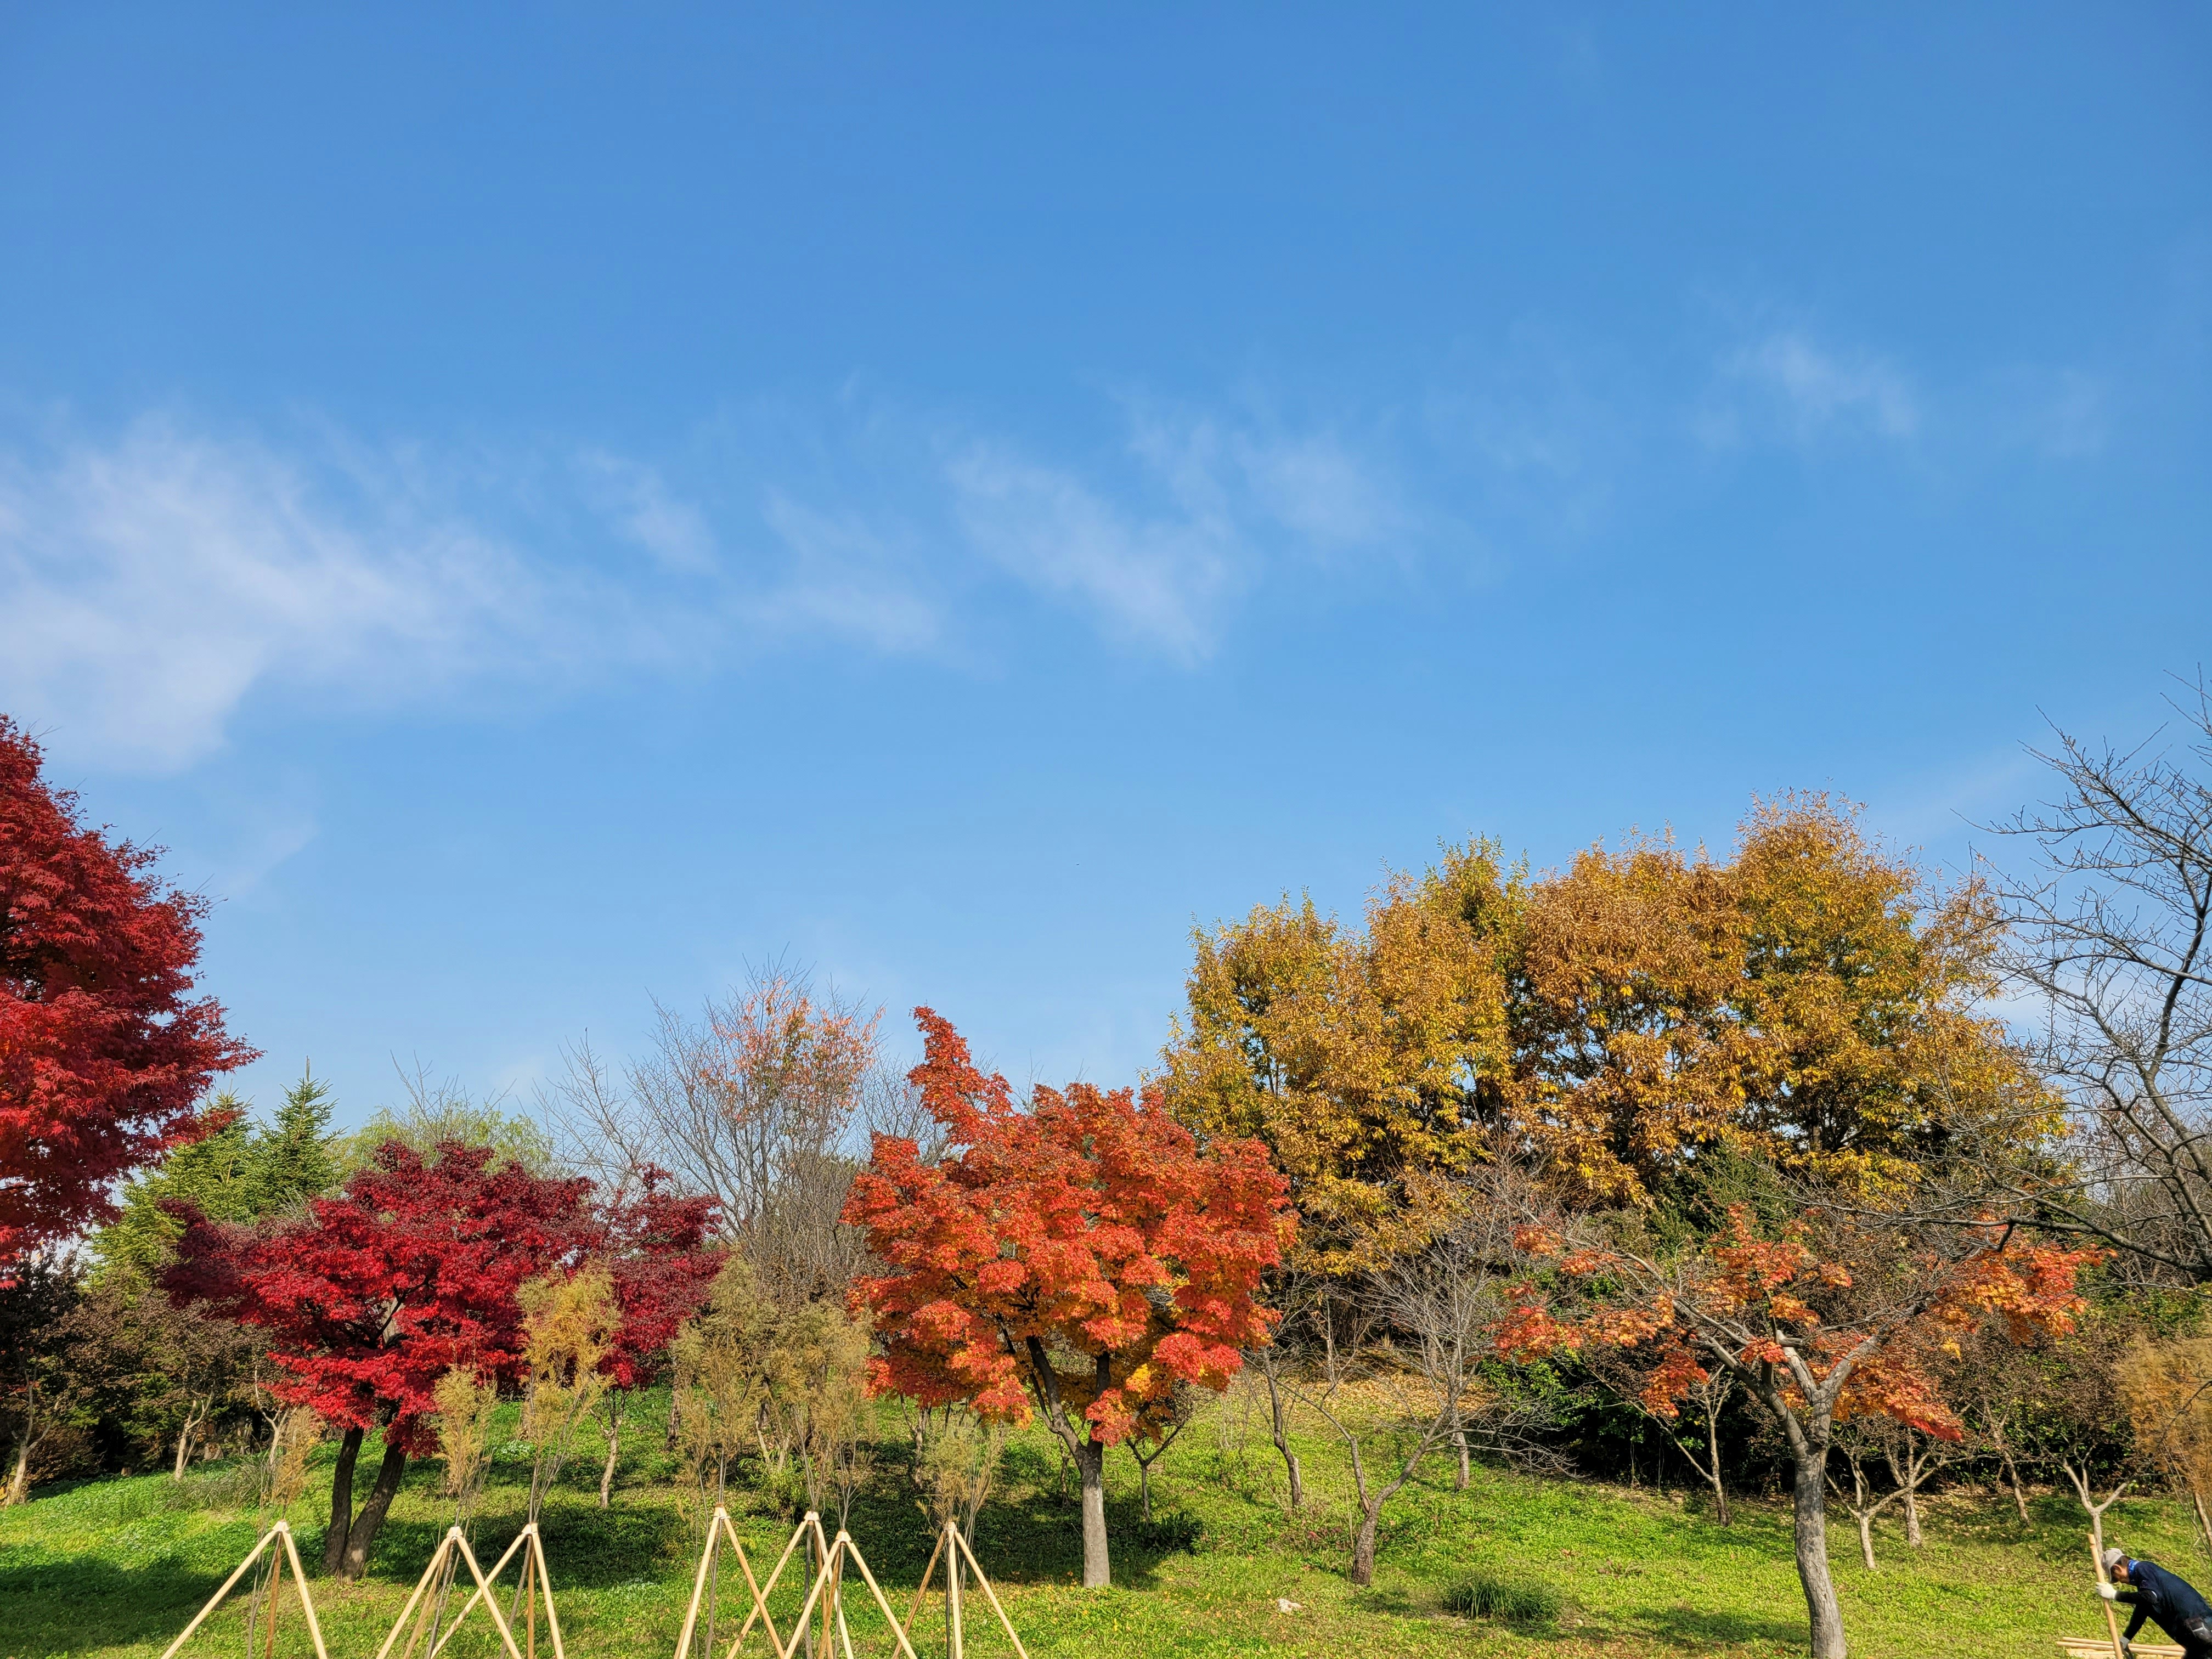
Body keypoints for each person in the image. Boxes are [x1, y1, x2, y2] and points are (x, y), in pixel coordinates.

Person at [2101, 1548, 2212, 1657]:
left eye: (2116, 1578)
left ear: (2117, 1568)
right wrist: (2126, 1638)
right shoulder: (2146, 1578)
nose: (2120, 1581)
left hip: (2200, 1628)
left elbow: (2151, 1597)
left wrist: (2115, 1595)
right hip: (2195, 1633)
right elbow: (2143, 1608)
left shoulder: (2143, 1569)